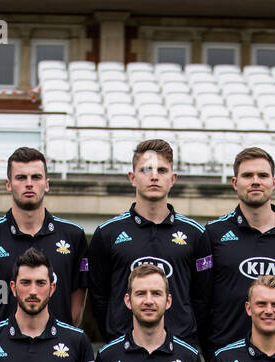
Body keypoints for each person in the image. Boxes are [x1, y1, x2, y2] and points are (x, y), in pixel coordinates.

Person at [86, 139, 212, 345]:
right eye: (146, 170)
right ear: (132, 177)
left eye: (162, 170)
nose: (154, 176)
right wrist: (114, 334)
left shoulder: (196, 234)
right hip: (122, 348)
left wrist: (184, 334)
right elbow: (99, 297)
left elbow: (203, 298)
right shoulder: (107, 233)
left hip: (179, 349)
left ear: (173, 179)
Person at [0, 147, 88, 330]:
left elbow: (76, 309)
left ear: (47, 183)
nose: (29, 184)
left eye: (36, 177)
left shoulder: (74, 236)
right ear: (8, 184)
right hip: (1, 356)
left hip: (58, 353)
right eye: (21, 178)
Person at [204, 147, 275, 352]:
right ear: (235, 183)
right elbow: (202, 295)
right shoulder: (212, 233)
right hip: (223, 353)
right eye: (247, 175)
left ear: (274, 181)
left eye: (262, 175)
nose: (255, 181)